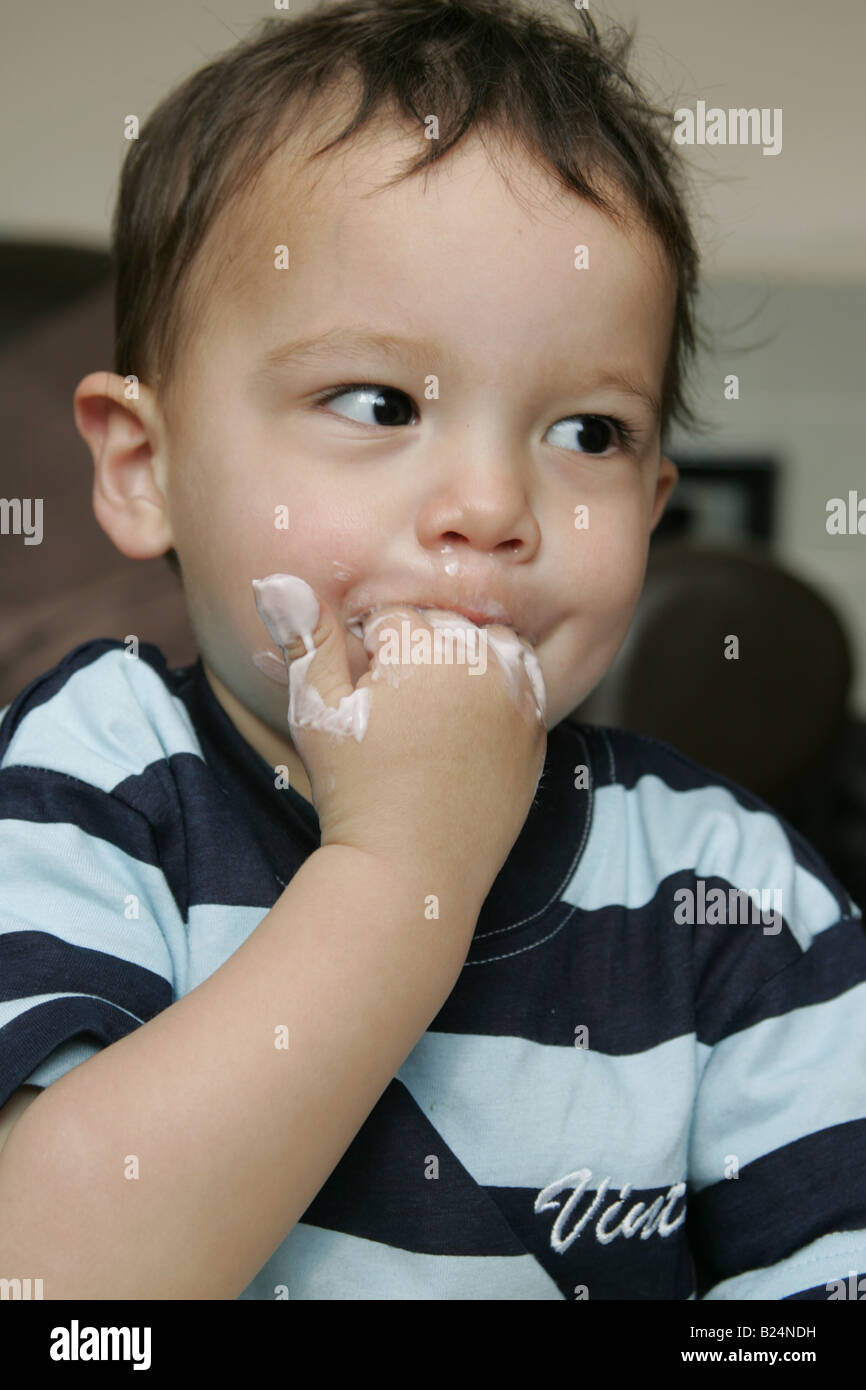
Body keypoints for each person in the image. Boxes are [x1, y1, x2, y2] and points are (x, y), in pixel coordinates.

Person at [1, 0, 864, 1301]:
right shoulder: (95, 785)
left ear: (650, 503)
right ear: (144, 467)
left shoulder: (727, 890)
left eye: (587, 432)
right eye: (377, 402)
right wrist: (404, 865)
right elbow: (52, 1283)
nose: (493, 506)